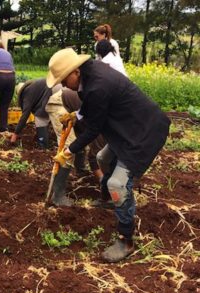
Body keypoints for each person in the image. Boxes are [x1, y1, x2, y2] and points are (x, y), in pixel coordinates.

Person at [47, 48, 170, 263]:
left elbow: (94, 129)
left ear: (75, 71)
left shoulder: (98, 84)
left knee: (118, 184)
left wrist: (67, 152)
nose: (63, 85)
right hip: (127, 128)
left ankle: (126, 240)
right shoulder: (89, 75)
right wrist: (76, 115)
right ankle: (109, 201)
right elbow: (91, 107)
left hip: (143, 133)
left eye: (64, 80)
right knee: (103, 159)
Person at [10, 79, 53, 149]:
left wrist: (15, 133)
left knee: (40, 118)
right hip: (57, 90)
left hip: (51, 93)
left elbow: (25, 115)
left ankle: (43, 147)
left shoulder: (26, 93)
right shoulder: (34, 87)